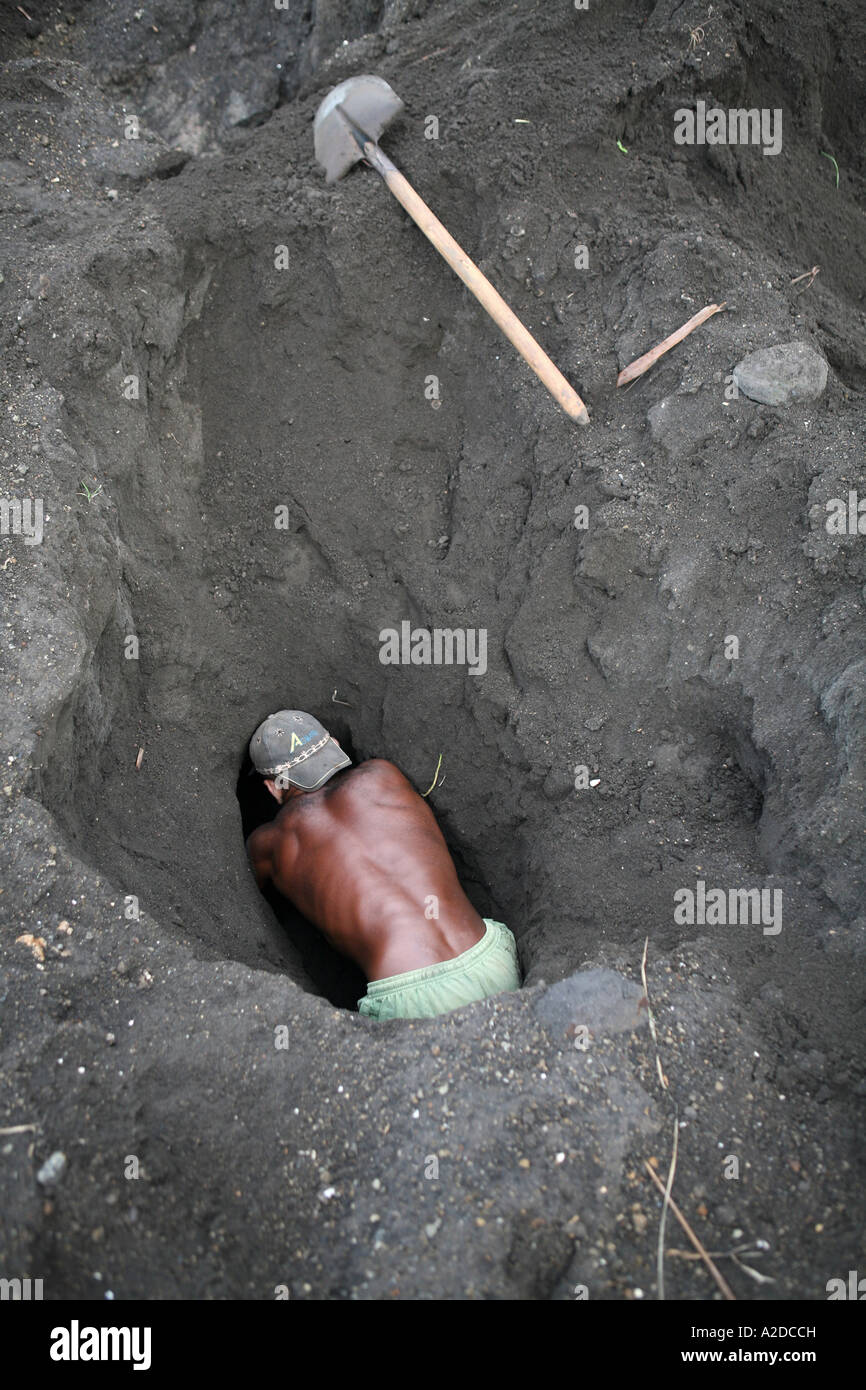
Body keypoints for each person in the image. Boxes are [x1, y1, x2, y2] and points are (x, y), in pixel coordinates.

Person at [245, 710, 521, 1020]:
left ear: (272, 787)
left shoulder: (270, 844)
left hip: (414, 1000)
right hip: (490, 956)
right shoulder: (384, 773)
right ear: (333, 744)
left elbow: (251, 898)